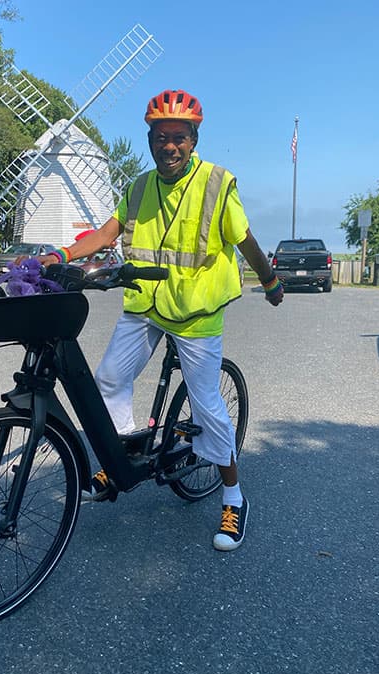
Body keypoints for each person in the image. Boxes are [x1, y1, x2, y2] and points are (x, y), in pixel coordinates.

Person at [34, 89, 284, 551]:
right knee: (109, 377)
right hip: (147, 302)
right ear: (150, 139)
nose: (169, 145)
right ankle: (125, 452)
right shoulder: (140, 186)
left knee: (207, 405)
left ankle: (234, 497)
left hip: (195, 311)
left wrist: (270, 282)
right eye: (160, 136)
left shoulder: (216, 183)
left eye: (178, 137)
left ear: (193, 140)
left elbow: (245, 240)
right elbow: (109, 232)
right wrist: (62, 253)